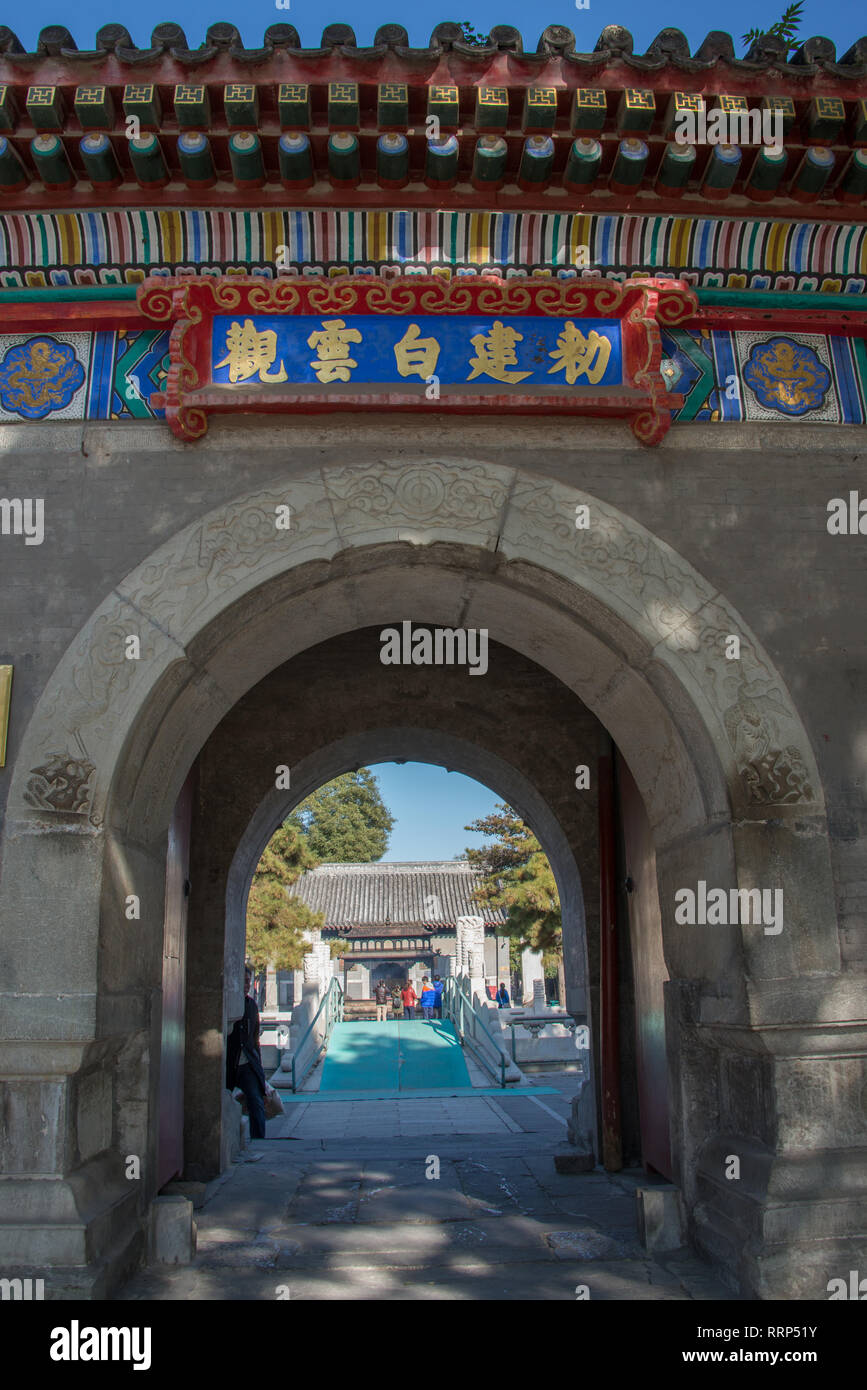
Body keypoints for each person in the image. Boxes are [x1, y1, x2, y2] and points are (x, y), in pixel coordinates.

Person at [226, 966, 268, 1139]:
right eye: (243, 981)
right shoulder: (227, 1004)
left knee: (256, 1101)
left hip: (247, 1063)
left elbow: (255, 1037)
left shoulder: (251, 1005)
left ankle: (259, 1139)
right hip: (229, 1061)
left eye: (248, 981)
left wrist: (259, 1066)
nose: (246, 985)